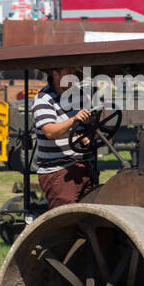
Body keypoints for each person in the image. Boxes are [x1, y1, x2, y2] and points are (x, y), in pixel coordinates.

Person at [32, 66, 98, 209]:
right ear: (55, 73)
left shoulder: (80, 96)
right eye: (69, 73)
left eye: (75, 73)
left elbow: (88, 125)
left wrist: (87, 136)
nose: (73, 77)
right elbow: (50, 132)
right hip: (59, 171)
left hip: (84, 167)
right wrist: (74, 119)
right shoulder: (44, 99)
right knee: (66, 220)